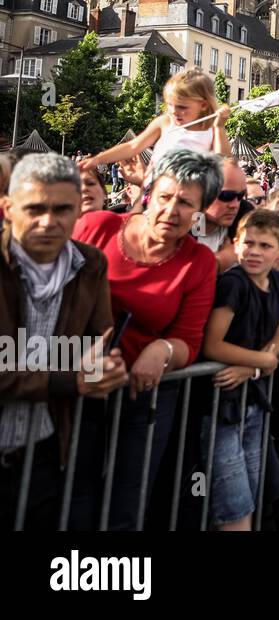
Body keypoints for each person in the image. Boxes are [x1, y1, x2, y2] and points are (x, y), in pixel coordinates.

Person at [71, 147, 222, 530]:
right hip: (71, 386)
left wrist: (163, 349)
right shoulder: (98, 227)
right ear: (148, 193)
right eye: (166, 197)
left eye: (186, 203)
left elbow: (189, 339)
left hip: (143, 399)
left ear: (200, 212)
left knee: (127, 505)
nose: (172, 211)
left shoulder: (199, 262)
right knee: (72, 497)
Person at [0, 153, 129, 530]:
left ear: (78, 211)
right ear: (8, 208)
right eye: (35, 208)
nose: (48, 221)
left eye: (62, 209)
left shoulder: (90, 264)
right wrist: (70, 377)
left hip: (45, 451)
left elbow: (98, 343)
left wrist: (107, 367)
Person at [199, 210, 279, 530]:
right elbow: (213, 345)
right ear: (235, 244)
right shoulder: (233, 284)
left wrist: (250, 369)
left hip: (253, 399)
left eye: (265, 246)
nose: (254, 251)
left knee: (251, 490)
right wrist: (263, 362)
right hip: (220, 407)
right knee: (233, 501)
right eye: (248, 243)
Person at [79, 70, 231, 174]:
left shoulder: (211, 129)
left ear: (203, 105)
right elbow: (134, 146)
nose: (173, 111)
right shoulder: (165, 122)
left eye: (182, 107)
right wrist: (99, 159)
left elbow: (224, 164)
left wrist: (219, 128)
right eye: (170, 104)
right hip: (155, 193)